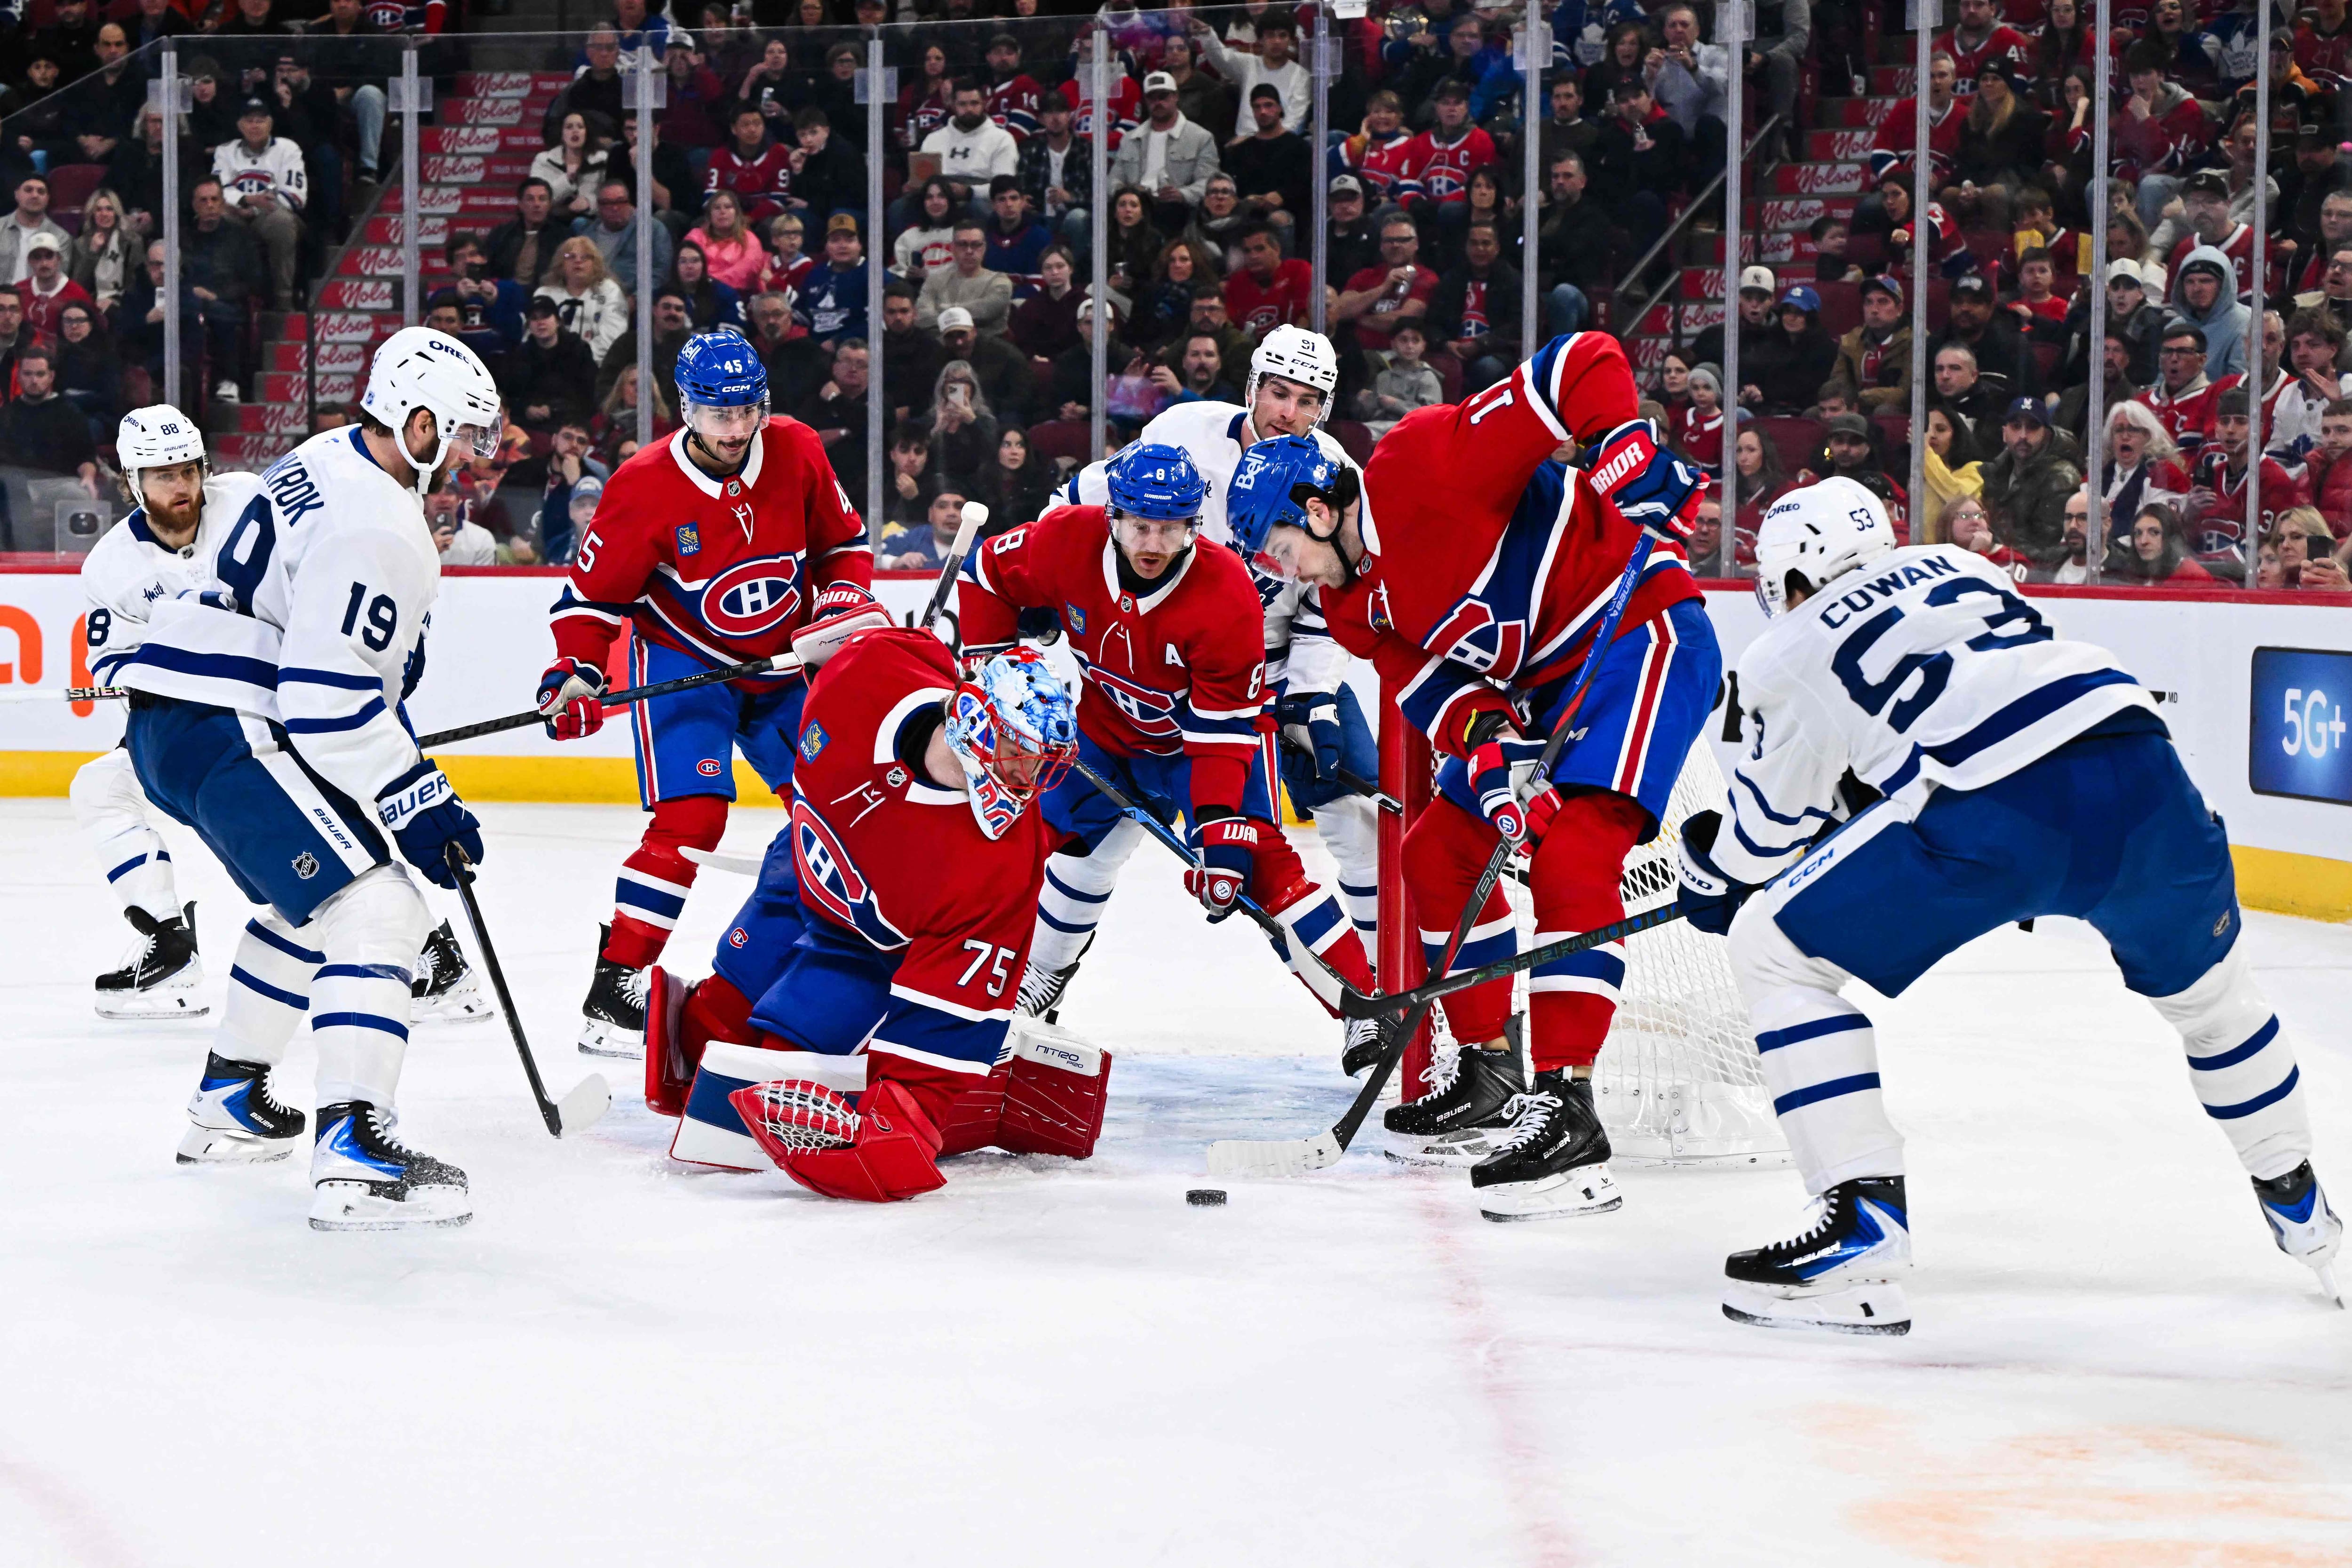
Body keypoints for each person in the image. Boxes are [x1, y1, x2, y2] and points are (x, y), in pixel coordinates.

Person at [1674, 476, 2339, 1333]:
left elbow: (1764, 841)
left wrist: (1709, 875)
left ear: (1787, 574)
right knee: (2215, 1004)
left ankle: (1861, 1224)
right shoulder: (1958, 562)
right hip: (2140, 762)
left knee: (1771, 946)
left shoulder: (1785, 646)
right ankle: (2303, 1206)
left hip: (1996, 812)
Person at [1226, 334, 1721, 1220]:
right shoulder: (1347, 602)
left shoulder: (1422, 463)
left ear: (1321, 508)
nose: (1278, 570)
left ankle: (1569, 1113)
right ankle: (1492, 1069)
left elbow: (1582, 363)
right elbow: (1437, 690)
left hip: (1639, 630)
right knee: (1435, 854)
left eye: (1278, 546)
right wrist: (1492, 758)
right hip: (1540, 692)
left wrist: (1621, 447)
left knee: (1574, 859)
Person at [114, 328, 504, 1229]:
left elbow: (322, 664)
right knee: (383, 906)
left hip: (177, 722)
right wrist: (417, 794)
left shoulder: (322, 454)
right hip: (228, 725)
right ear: (418, 423)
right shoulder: (385, 525)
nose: (475, 457)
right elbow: (329, 702)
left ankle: (231, 1098)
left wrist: (390, 750)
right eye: (466, 433)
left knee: (310, 903)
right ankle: (354, 1150)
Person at [643, 626, 1110, 1201]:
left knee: (773, 1069)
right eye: (1019, 753)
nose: (1029, 779)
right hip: (795, 882)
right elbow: (891, 640)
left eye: (1043, 762)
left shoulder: (1004, 863)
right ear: (972, 721)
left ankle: (993, 1090)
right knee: (705, 1029)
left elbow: (949, 1008)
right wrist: (842, 611)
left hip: (862, 948)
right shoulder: (870, 672)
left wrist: (904, 1118)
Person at [964, 439, 1379, 1046]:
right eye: (1138, 526)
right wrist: (994, 667)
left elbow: (1223, 731)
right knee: (1023, 844)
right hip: (1106, 735)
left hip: (1203, 750)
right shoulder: (1063, 539)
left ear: (1192, 524)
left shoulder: (1225, 592)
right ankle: (1033, 977)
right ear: (1114, 517)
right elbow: (986, 573)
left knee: (1259, 866)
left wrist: (1215, 825)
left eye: (1169, 528)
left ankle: (1367, 1009)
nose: (1152, 544)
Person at [539, 334, 875, 1058]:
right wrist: (576, 671)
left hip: (787, 668)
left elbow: (843, 547)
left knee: (837, 814)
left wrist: (845, 596)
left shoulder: (797, 449)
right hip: (684, 663)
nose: (733, 430)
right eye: (718, 414)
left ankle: (817, 961)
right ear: (686, 409)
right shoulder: (643, 484)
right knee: (692, 819)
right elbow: (592, 602)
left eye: (746, 412)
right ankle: (618, 982)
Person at [1051, 328, 1382, 1035]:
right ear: (1254, 386)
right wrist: (1049, 583)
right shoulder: (1184, 432)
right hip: (1156, 668)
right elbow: (1085, 503)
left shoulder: (1335, 475)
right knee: (1087, 834)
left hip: (1269, 669)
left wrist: (1312, 697)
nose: (1288, 412)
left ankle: (1381, 994)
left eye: (1308, 401)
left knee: (1359, 816)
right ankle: (1041, 979)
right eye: (1279, 393)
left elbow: (1333, 599)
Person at [72, 408, 255, 1018]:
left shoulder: (251, 504)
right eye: (160, 475)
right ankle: (169, 942)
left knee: (297, 868)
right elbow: (110, 664)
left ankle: (427, 950)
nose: (180, 486)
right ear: (132, 482)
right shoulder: (110, 565)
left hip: (273, 715)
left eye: (188, 470)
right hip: (194, 731)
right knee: (99, 786)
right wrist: (146, 670)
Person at [1110, 70, 1221, 237]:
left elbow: (1208, 183)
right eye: (1152, 98)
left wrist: (1182, 194)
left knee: (1169, 211)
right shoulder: (1130, 139)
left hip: (1175, 207)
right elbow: (1113, 180)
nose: (1158, 102)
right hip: (1136, 204)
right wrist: (1128, 192)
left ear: (1176, 97)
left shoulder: (1201, 138)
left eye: (1163, 96)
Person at [916, 220, 1013, 335]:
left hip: (986, 347)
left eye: (976, 245)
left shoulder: (1000, 282)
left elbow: (986, 312)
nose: (969, 251)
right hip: (940, 346)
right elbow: (922, 317)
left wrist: (941, 309)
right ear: (952, 248)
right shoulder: (934, 280)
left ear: (985, 248)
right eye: (963, 244)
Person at [531, 110, 611, 225]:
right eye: (569, 127)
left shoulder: (602, 160)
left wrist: (589, 203)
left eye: (580, 127)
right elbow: (538, 200)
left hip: (592, 222)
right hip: (552, 223)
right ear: (562, 134)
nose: (575, 131)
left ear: (587, 133)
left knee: (580, 224)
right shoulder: (544, 161)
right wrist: (567, 180)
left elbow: (611, 197)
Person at [2103, 500, 2213, 583]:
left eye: (2155, 533)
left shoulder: (2193, 577)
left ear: (2171, 537)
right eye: (2138, 533)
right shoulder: (2130, 574)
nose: (2143, 541)